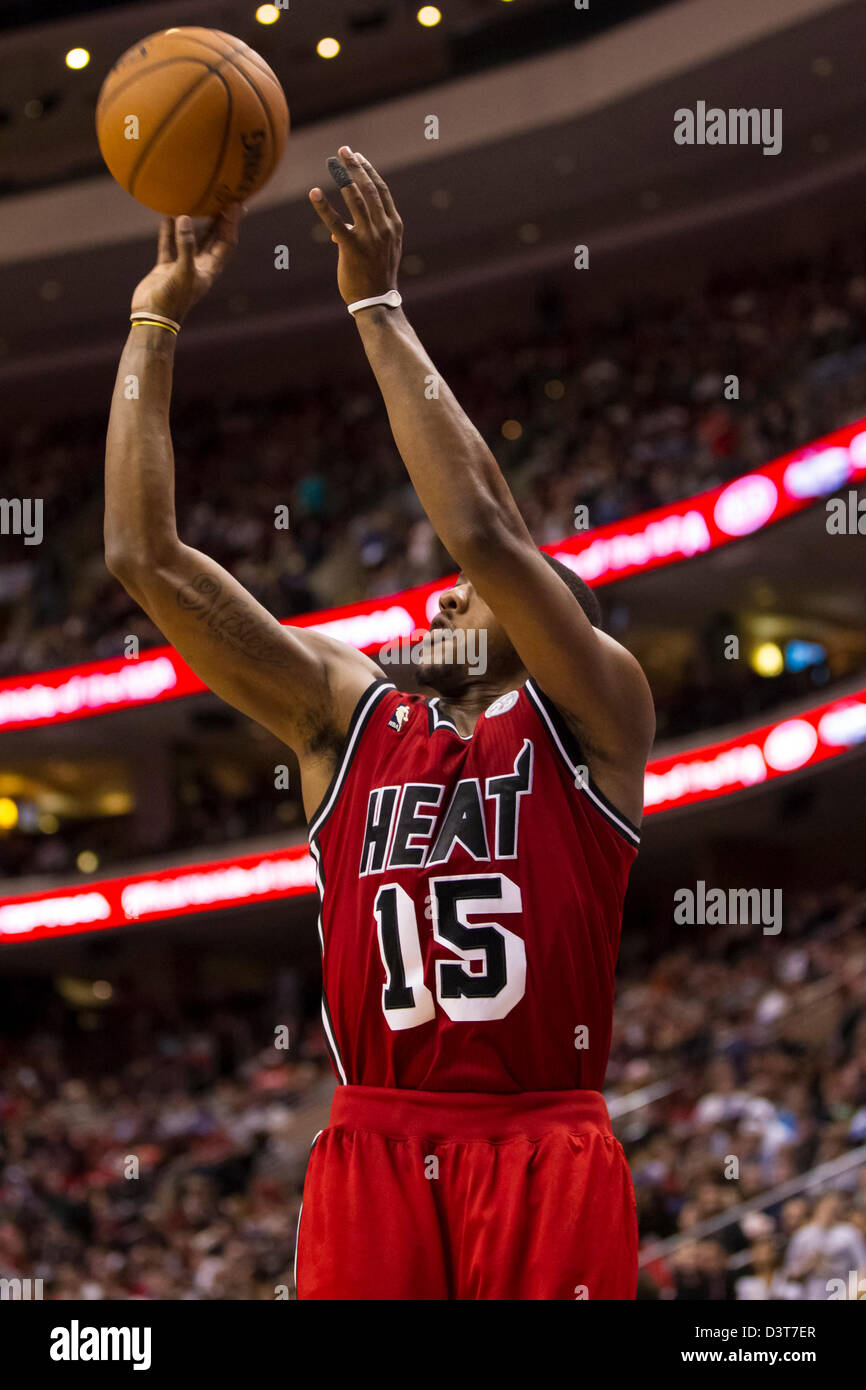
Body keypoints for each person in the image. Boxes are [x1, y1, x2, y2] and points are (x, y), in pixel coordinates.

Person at [104, 148, 655, 1300]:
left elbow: (485, 536)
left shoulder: (592, 716)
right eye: (442, 597)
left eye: (468, 601)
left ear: (550, 624)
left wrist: (374, 300)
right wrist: (153, 325)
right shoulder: (342, 719)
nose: (443, 600)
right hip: (372, 1144)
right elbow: (142, 559)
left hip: (541, 1138)